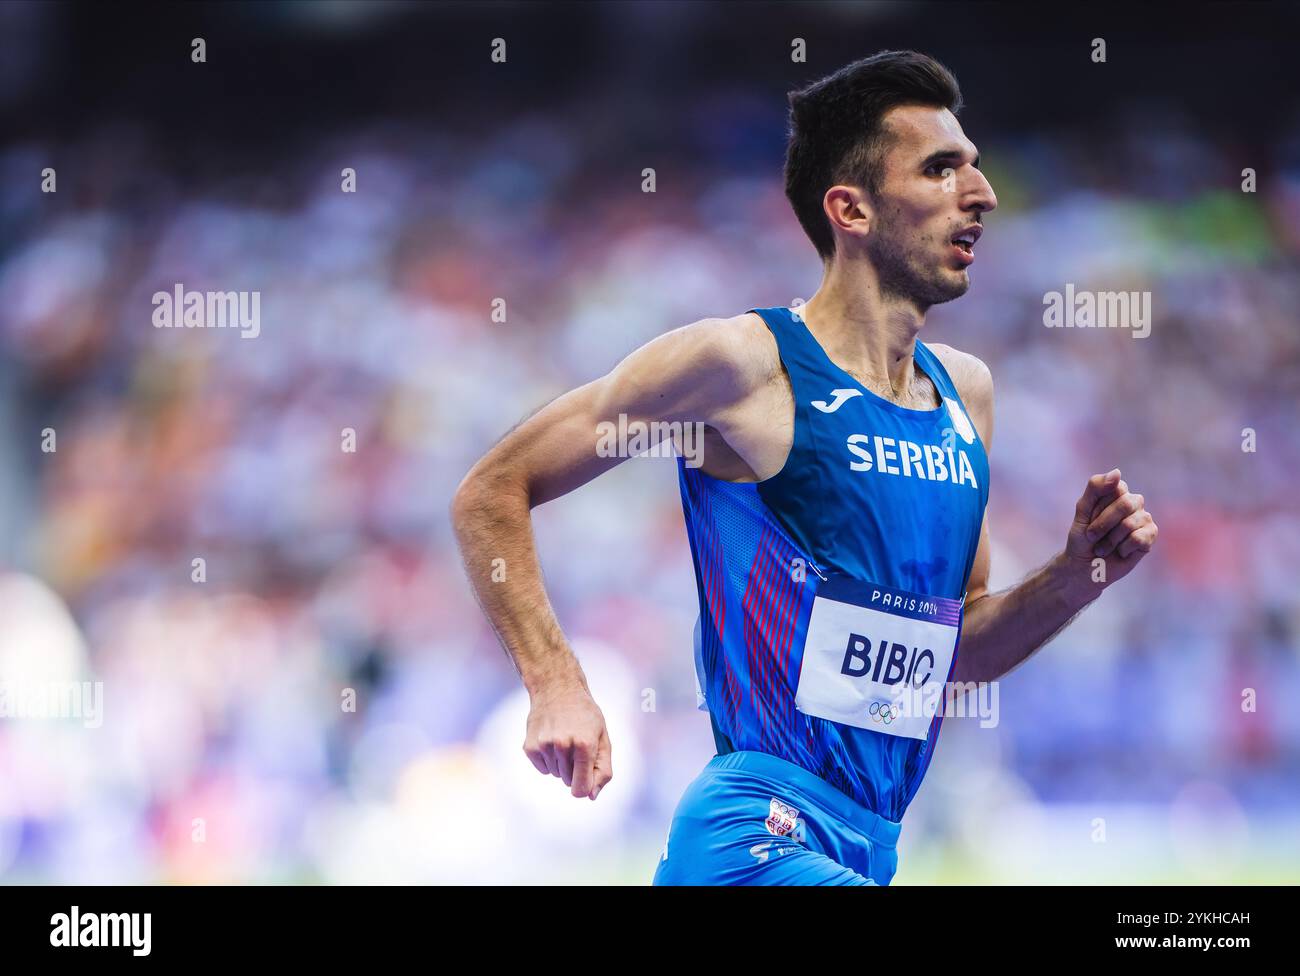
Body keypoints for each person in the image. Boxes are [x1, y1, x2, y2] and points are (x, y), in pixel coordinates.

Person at [451, 50, 1158, 885]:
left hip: (872, 844)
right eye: (941, 169)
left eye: (975, 166)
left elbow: (955, 654)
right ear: (849, 208)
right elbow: (493, 488)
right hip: (755, 834)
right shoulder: (742, 365)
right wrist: (555, 682)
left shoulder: (968, 396)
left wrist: (1075, 580)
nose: (983, 194)